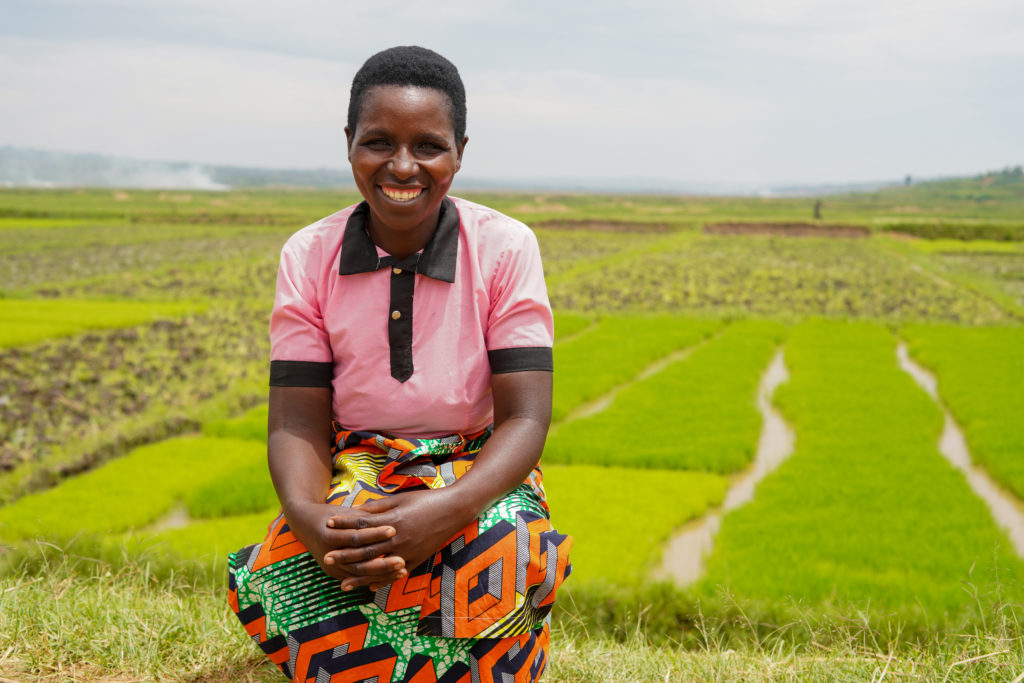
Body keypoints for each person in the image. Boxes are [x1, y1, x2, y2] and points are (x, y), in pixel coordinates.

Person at [228, 46, 572, 683]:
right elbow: (296, 420)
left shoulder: (504, 248)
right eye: (379, 141)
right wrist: (311, 521)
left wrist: (442, 512)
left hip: (475, 464)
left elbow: (525, 419)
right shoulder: (309, 255)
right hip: (360, 464)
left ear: (460, 151)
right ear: (350, 144)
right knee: (281, 573)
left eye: (430, 146)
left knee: (505, 547)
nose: (403, 166)